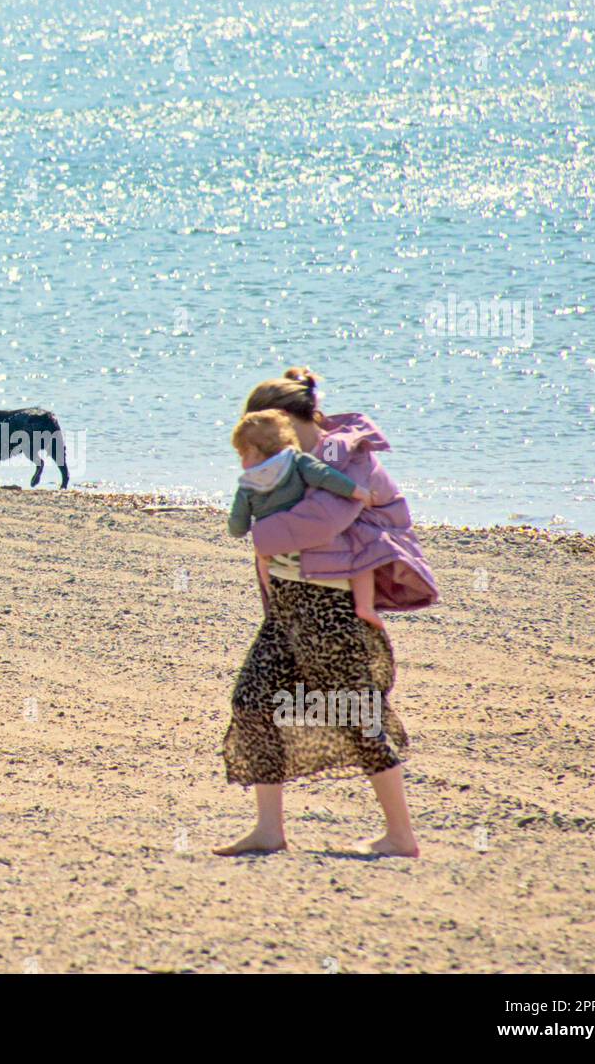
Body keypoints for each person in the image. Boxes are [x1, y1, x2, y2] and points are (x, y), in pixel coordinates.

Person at [217, 367, 438, 859]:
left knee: (358, 716)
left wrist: (260, 539)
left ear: (294, 419)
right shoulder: (284, 462)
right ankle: (269, 829)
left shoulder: (346, 456)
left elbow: (325, 521)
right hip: (289, 607)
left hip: (333, 608)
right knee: (252, 701)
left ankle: (401, 836)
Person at [227, 408, 383, 629]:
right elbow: (326, 476)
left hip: (275, 547)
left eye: (241, 454)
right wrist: (359, 491)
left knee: (261, 555)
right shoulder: (298, 460)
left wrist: (237, 528)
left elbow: (238, 526)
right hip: (303, 536)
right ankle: (365, 606)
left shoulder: (247, 485)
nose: (241, 460)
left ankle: (272, 601)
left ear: (252, 451)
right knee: (362, 556)